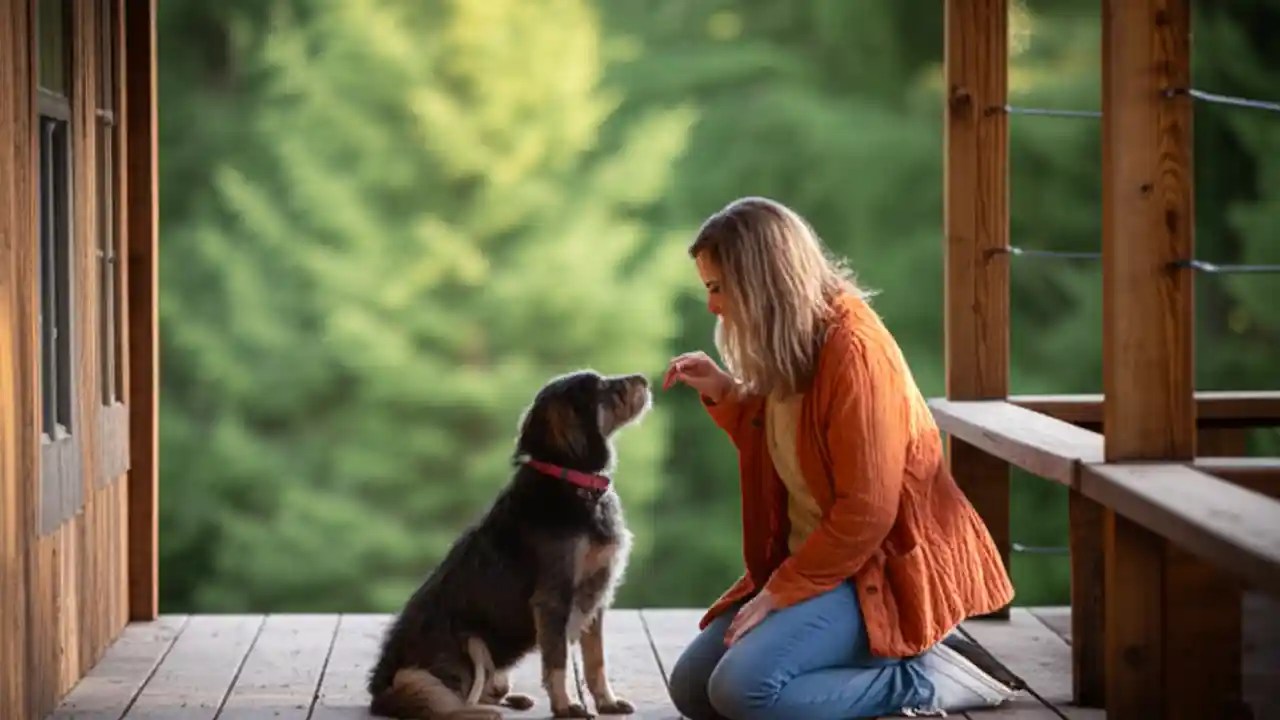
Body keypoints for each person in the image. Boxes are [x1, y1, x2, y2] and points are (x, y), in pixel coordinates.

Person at [661, 196, 1019, 719]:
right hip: (816, 565)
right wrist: (727, 392)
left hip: (874, 573)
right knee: (695, 689)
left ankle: (920, 678)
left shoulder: (853, 351)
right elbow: (789, 453)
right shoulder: (788, 344)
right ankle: (859, 666)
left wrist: (780, 592)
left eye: (718, 288)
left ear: (761, 281)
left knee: (741, 692)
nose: (713, 306)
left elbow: (866, 513)